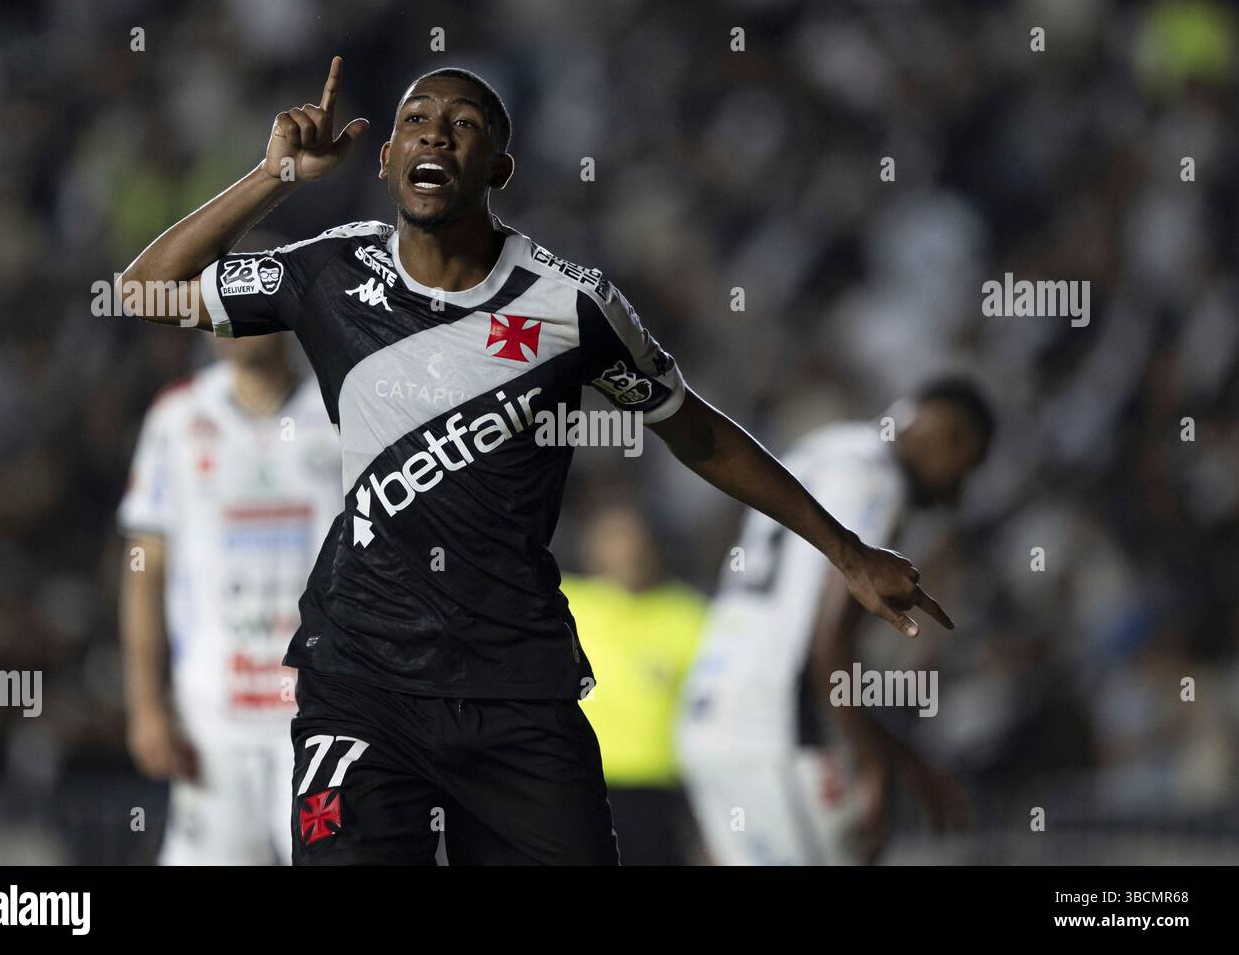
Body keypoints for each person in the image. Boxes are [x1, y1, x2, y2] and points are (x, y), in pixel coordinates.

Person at [120, 56, 955, 865]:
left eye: (464, 125)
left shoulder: (573, 305)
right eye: (416, 122)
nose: (435, 137)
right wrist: (276, 178)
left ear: (499, 166)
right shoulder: (331, 272)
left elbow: (693, 430)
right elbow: (144, 289)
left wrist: (845, 550)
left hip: (515, 689)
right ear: (385, 159)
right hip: (361, 682)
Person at [678, 380, 993, 865]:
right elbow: (829, 637)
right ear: (949, 438)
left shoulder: (826, 448)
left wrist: (899, 756)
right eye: (965, 473)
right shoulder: (877, 479)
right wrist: (873, 767)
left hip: (713, 708)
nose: (956, 496)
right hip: (772, 728)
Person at [119, 334, 342, 864]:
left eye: (250, 305)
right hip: (213, 717)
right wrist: (146, 702)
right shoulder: (177, 418)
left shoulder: (341, 412)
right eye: (221, 306)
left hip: (324, 714)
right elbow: (144, 569)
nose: (232, 323)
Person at [560, 503, 707, 865]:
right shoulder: (562, 603)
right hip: (573, 787)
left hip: (657, 795)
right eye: (612, 538)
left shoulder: (689, 616)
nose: (626, 549)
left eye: (633, 538)